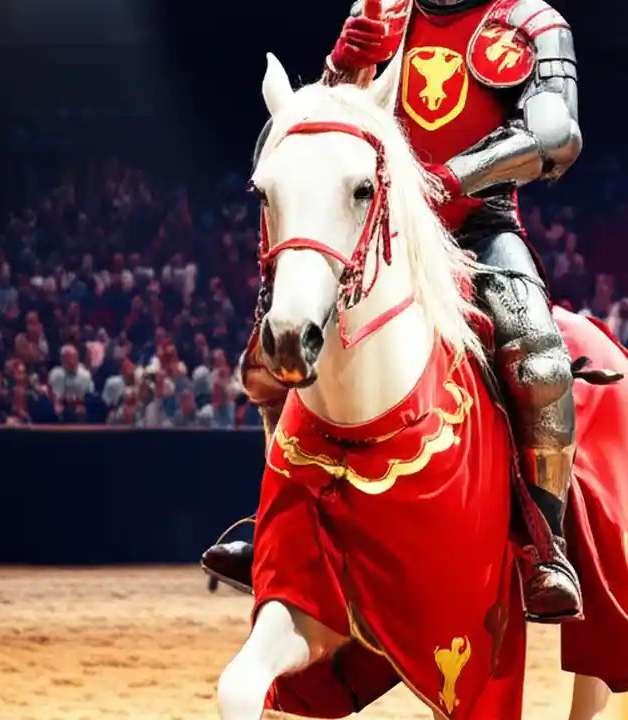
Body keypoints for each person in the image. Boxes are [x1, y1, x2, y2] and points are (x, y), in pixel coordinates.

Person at [205, 0, 586, 623]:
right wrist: (339, 68)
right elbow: (311, 134)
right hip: (377, 230)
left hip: (479, 226)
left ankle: (546, 548)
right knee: (273, 353)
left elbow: (555, 135)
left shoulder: (532, 21)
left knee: (538, 357)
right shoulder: (380, 10)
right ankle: (274, 527)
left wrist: (452, 178)